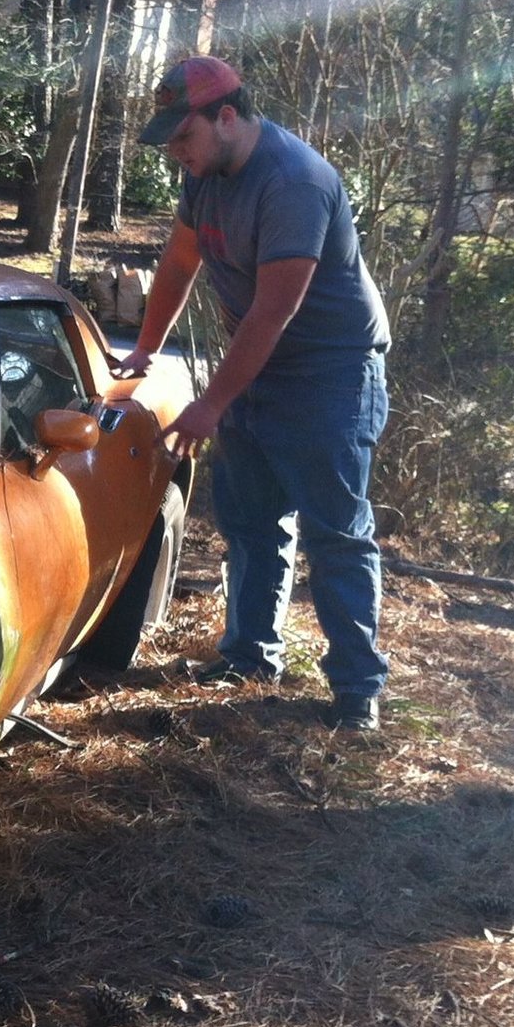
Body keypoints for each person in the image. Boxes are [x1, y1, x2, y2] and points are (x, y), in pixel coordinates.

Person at [116, 56, 393, 732]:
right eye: (172, 143)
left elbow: (275, 309)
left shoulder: (295, 181)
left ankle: (358, 689)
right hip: (256, 364)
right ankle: (249, 656)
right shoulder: (207, 177)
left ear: (228, 117)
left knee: (335, 533)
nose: (177, 154)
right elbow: (180, 262)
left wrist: (211, 403)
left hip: (330, 371)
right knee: (252, 520)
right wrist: (145, 349)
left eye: (184, 137)